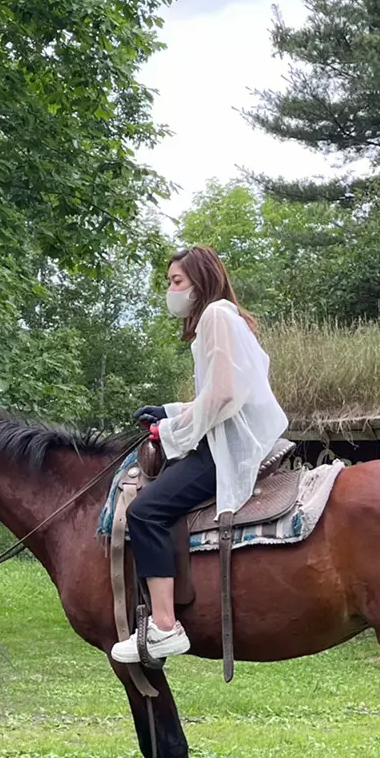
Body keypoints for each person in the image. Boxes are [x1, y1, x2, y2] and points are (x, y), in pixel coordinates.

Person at [112, 245, 288, 664]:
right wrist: (170, 412)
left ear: (200, 281)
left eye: (177, 282)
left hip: (226, 448)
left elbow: (226, 395)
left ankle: (165, 626)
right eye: (169, 282)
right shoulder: (228, 317)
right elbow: (219, 392)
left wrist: (170, 432)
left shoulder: (214, 317)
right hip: (233, 437)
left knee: (145, 511)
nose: (170, 291)